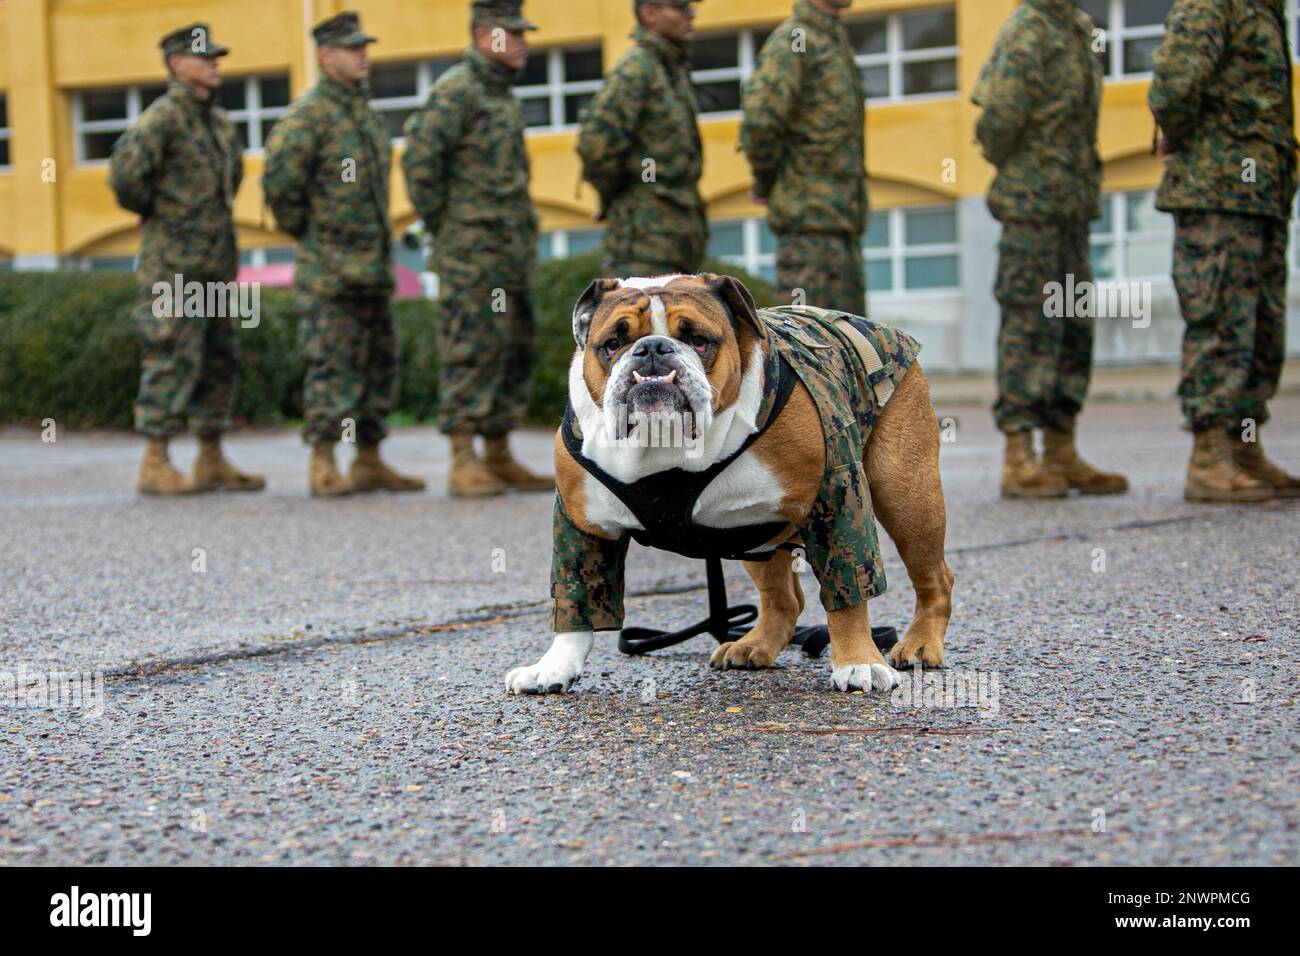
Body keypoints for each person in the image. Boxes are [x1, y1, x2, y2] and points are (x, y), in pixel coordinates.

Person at [263, 11, 425, 498]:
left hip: (373, 267)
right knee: (332, 365)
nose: (363, 56)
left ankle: (368, 458)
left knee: (378, 363)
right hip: (329, 271)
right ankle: (323, 460)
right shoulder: (307, 116)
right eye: (352, 48)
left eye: (364, 47)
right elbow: (280, 188)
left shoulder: (366, 114)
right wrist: (318, 235)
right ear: (324, 55)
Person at [972, 0, 1128, 499]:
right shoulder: (1029, 28)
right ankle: (1019, 453)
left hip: (1073, 206)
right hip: (1033, 206)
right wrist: (1031, 169)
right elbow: (998, 120)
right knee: (1030, 321)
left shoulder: (1078, 28)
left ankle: (1062, 447)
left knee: (1073, 325)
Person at [1150, 0, 1299, 502]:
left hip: (1264, 192)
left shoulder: (1266, 7)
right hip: (1217, 188)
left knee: (1262, 321)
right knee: (1221, 317)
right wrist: (1191, 141)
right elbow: (1174, 82)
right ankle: (1207, 456)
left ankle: (1244, 444)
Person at [402, 0, 552, 497]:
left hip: (509, 250)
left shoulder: (502, 96)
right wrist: (449, 224)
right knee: (472, 347)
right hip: (471, 252)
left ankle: (499, 450)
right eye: (515, 34)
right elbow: (421, 161)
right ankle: (463, 456)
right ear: (486, 35)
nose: (524, 43)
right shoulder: (457, 91)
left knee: (512, 346)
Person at [108, 23, 264, 496]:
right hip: (173, 264)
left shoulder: (217, 121)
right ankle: (155, 461)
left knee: (220, 357)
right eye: (206, 57)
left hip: (215, 262)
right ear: (178, 64)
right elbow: (125, 176)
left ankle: (211, 456)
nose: (216, 63)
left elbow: (230, 178)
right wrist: (157, 212)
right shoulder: (163, 119)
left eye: (217, 57)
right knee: (171, 355)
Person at [741, 0, 868, 315]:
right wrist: (766, 181)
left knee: (848, 343)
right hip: (808, 221)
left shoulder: (834, 41)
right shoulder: (794, 40)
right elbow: (761, 120)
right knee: (807, 336)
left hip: (842, 221)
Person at [577, 0, 708, 278]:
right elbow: (596, 146)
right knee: (643, 320)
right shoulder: (636, 69)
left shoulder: (670, 71)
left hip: (678, 237)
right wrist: (621, 197)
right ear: (649, 14)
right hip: (645, 242)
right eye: (681, 8)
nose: (691, 15)